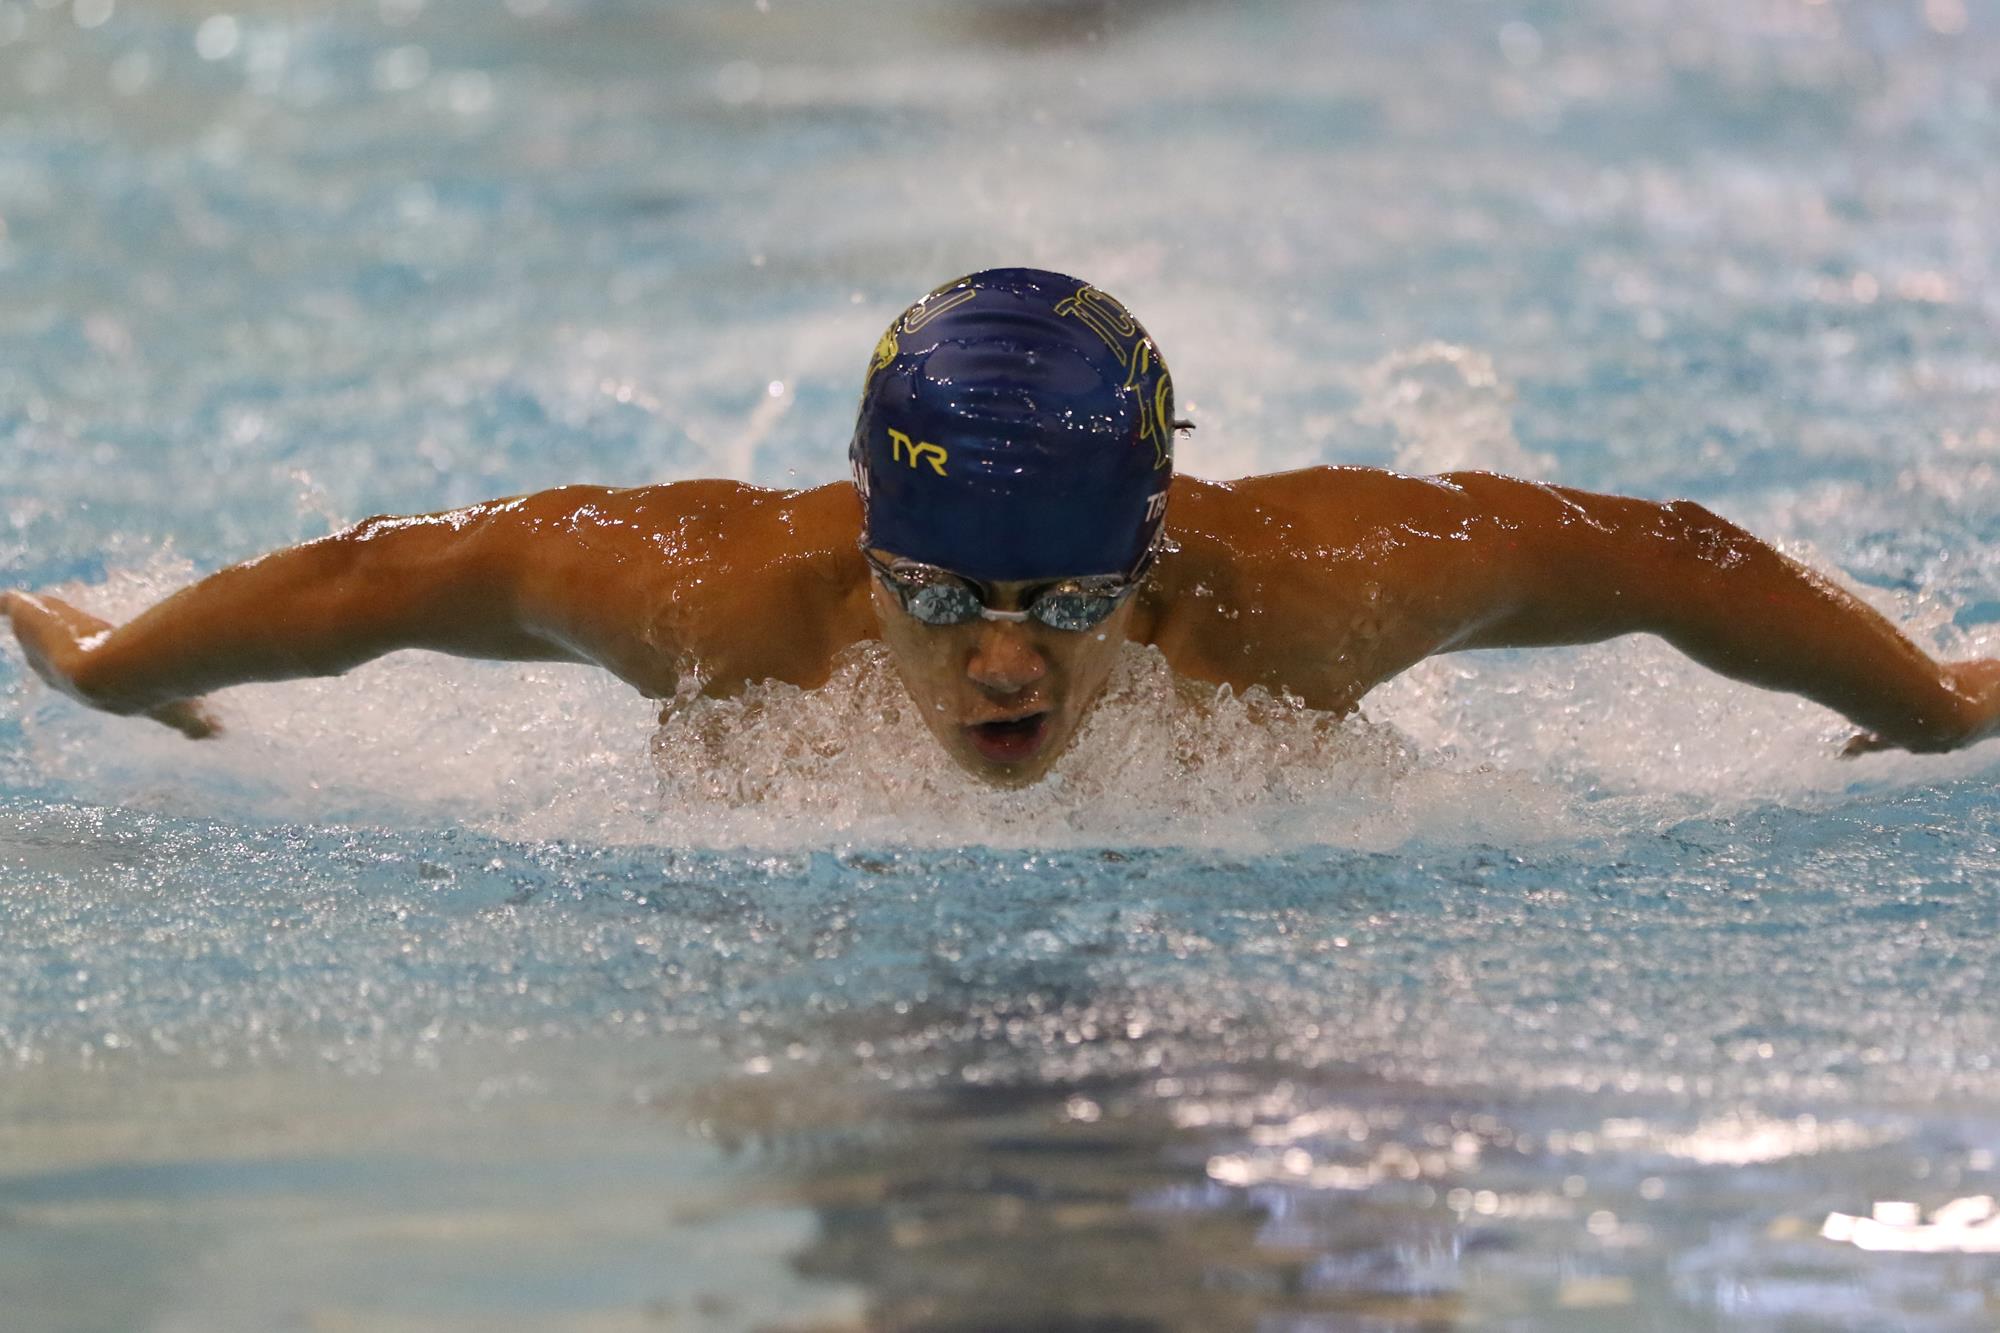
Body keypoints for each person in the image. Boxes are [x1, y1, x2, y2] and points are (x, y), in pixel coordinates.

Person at [4, 267, 1997, 788]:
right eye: (946, 594)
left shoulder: (1297, 595)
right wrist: (115, 668)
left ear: (1155, 551)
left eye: (1067, 597)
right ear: (869, 550)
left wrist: (1927, 704)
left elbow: (1657, 554)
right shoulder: (720, 598)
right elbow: (382, 575)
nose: (1008, 658)